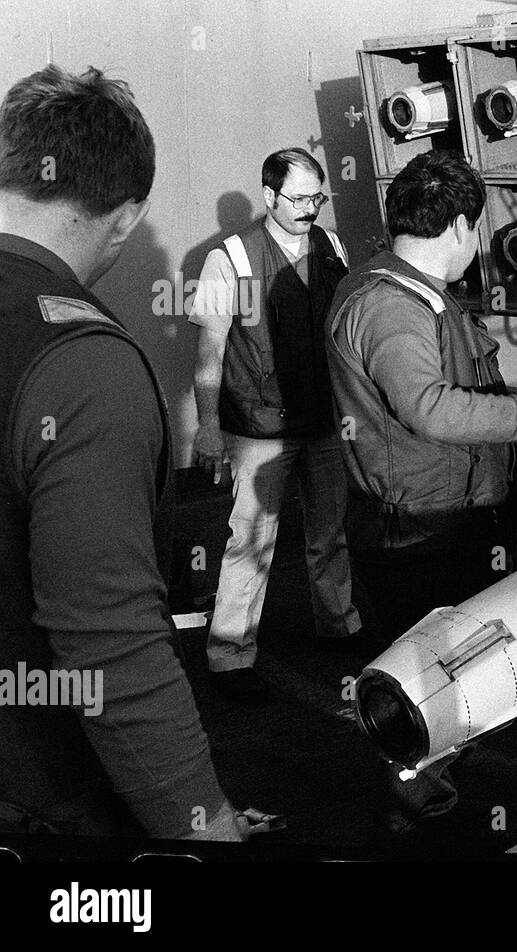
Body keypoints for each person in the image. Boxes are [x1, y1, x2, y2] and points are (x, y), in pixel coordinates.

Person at [0, 65, 242, 841]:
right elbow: (108, 643)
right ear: (127, 213)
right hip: (39, 793)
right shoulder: (81, 362)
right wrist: (203, 825)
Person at [326, 149, 517, 825]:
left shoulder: (399, 291)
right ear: (462, 228)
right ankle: (417, 810)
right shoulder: (392, 307)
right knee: (428, 687)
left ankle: (431, 792)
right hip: (424, 532)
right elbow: (434, 410)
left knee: (453, 677)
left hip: (438, 520)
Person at [190, 148, 365, 703]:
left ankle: (339, 629)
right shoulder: (231, 259)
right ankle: (230, 655)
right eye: (300, 199)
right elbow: (210, 351)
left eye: (318, 197)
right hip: (258, 428)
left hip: (324, 422)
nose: (311, 209)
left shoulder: (332, 246)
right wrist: (208, 426)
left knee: (330, 533)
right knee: (250, 541)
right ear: (269, 197)